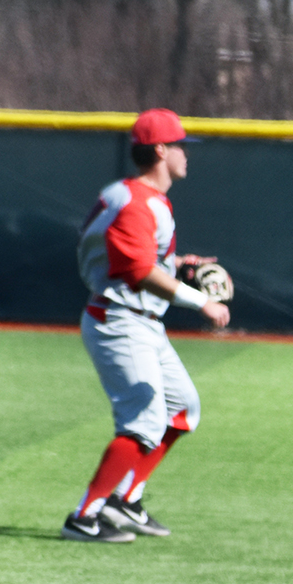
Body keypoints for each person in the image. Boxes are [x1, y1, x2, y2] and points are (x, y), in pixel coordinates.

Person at [62, 108, 231, 542]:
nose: (185, 155)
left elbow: (142, 260)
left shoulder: (137, 197)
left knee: (182, 408)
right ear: (160, 150)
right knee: (141, 422)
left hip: (142, 320)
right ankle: (84, 517)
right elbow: (137, 271)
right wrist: (201, 302)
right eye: (179, 146)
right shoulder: (137, 203)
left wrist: (181, 264)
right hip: (118, 321)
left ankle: (125, 500)